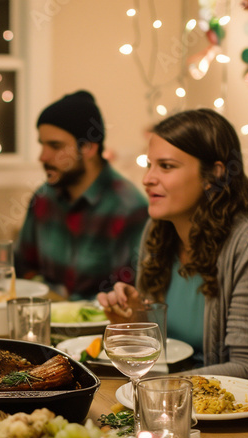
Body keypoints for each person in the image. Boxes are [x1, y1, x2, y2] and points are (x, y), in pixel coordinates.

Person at [97, 109, 248, 406]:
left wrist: (158, 387)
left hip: (243, 415)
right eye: (150, 165)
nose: (148, 179)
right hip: (169, 401)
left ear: (214, 173)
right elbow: (163, 347)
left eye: (166, 166)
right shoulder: (159, 229)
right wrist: (134, 318)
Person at [14, 90, 149, 300]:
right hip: (40, 323)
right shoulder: (43, 197)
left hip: (101, 330)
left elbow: (132, 297)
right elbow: (22, 266)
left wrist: (65, 304)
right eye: (42, 144)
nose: (43, 156)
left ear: (88, 147)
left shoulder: (129, 207)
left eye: (55, 146)